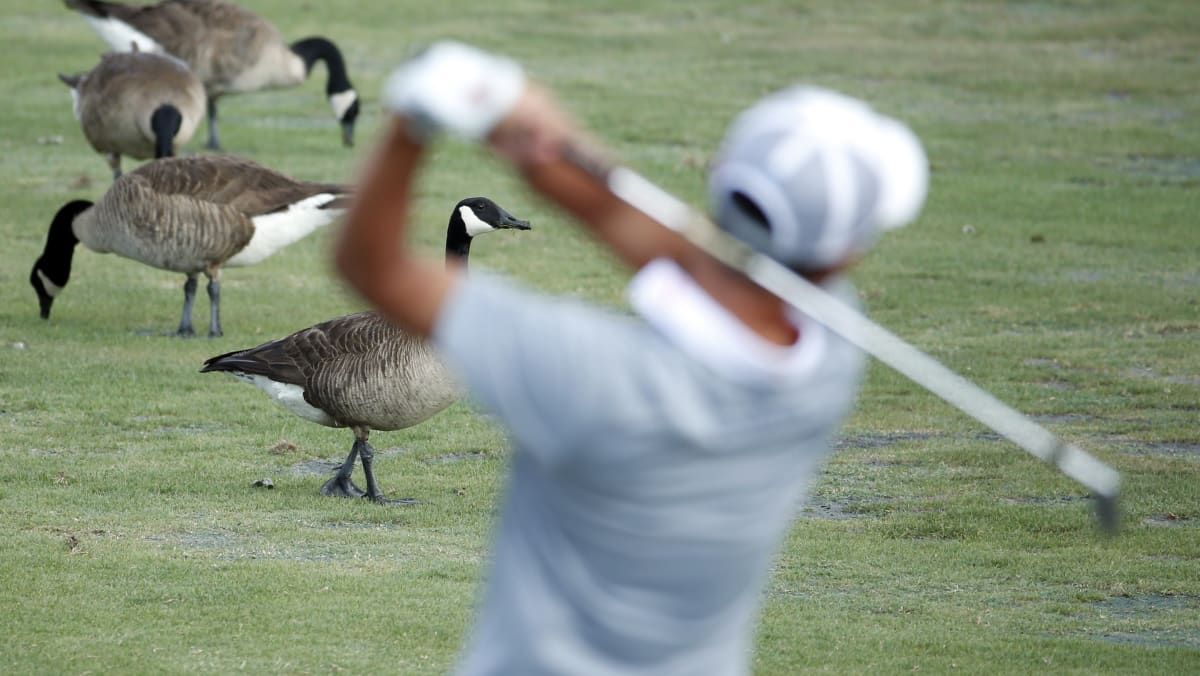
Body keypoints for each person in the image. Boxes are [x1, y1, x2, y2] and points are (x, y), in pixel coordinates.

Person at [336, 42, 927, 676]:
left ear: (718, 174)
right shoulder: (832, 350)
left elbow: (373, 265)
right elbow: (685, 251)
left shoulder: (587, 370)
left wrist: (414, 125)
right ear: (847, 256)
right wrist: (545, 152)